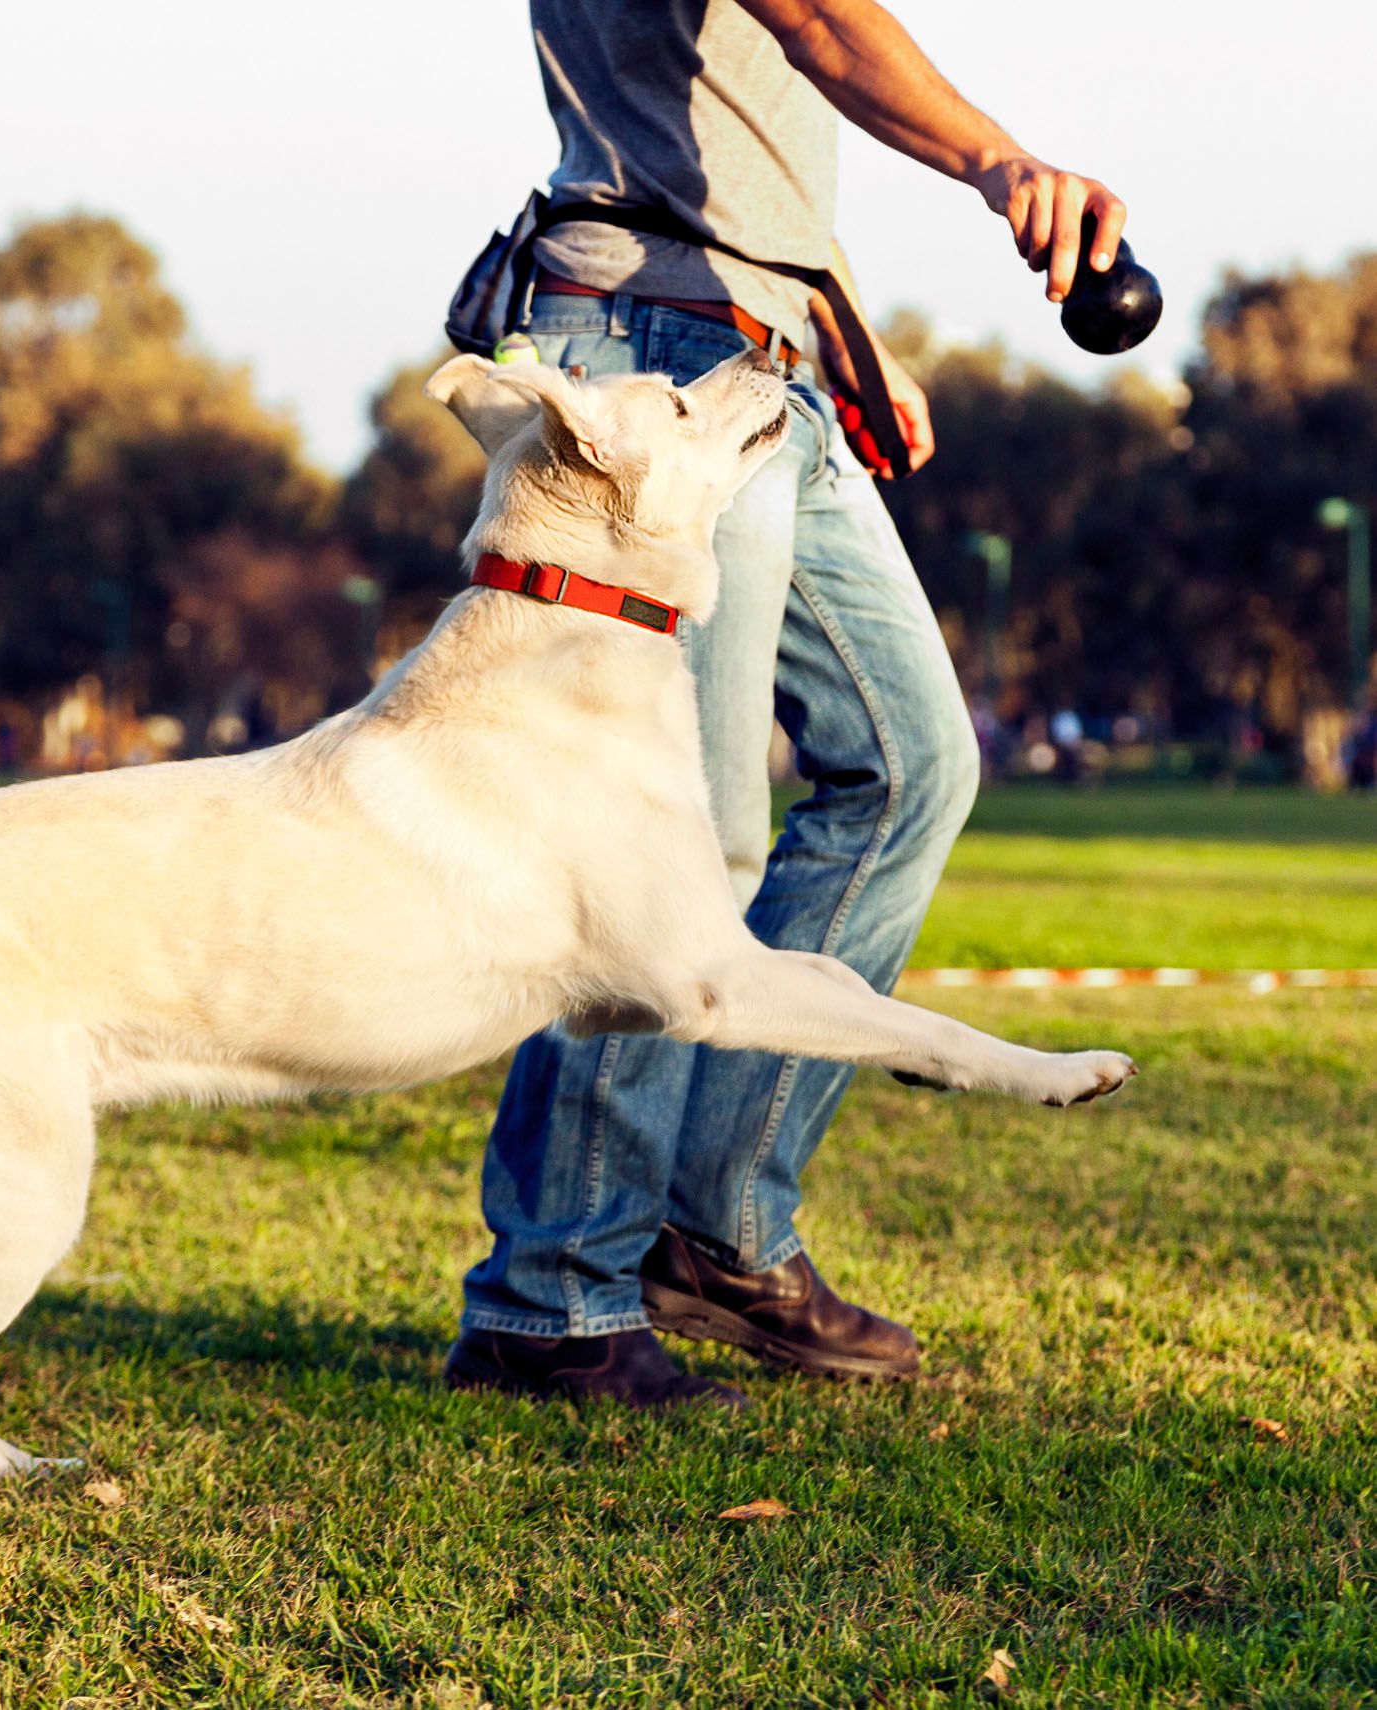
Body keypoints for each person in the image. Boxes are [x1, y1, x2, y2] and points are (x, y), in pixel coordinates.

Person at [442, 0, 1130, 1408]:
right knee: (676, 848)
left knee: (912, 762)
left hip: (760, 349)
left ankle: (718, 1229)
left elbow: (736, 126)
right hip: (655, 353)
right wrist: (1000, 163)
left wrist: (836, 323)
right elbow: (816, 18)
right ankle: (554, 1297)